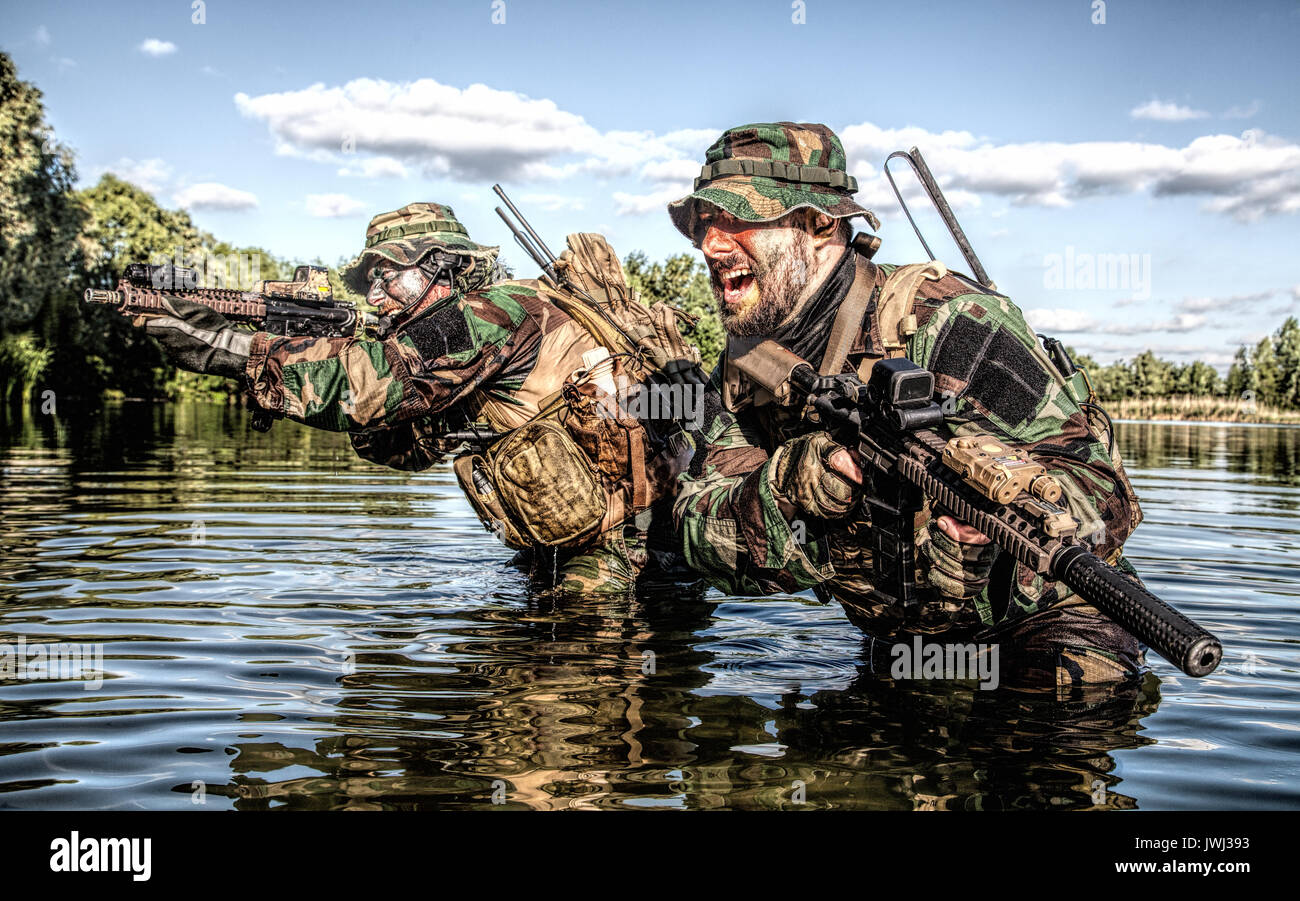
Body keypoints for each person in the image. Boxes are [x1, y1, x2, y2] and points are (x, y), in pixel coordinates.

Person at [668, 122, 1147, 687]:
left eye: (738, 219)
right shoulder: (749, 363)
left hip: (1048, 624)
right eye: (704, 223)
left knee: (1062, 727)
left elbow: (1108, 498)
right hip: (903, 643)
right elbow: (697, 529)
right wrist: (790, 491)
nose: (711, 244)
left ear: (821, 222)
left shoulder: (950, 321)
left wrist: (1001, 522)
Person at [138, 202, 697, 593]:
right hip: (576, 545)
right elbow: (403, 448)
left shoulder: (489, 316)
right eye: (370, 280)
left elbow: (364, 383)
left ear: (442, 267)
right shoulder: (465, 349)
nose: (376, 294)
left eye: (388, 275)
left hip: (627, 555)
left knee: (567, 730)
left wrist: (219, 345)